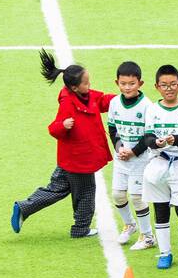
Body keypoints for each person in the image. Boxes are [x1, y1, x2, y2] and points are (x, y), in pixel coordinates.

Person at [11, 52, 112, 239]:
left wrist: (122, 99)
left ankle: (24, 207)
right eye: (86, 83)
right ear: (74, 87)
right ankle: (81, 228)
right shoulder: (68, 104)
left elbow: (101, 100)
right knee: (86, 192)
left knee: (56, 189)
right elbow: (54, 128)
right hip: (79, 160)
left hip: (70, 160)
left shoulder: (85, 96)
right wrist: (63, 126)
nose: (89, 85)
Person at [140, 65, 178, 269]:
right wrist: (154, 143)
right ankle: (165, 253)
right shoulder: (152, 109)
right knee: (161, 209)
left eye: (173, 84)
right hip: (157, 163)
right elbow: (147, 136)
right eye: (164, 85)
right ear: (157, 87)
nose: (169, 88)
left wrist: (175, 140)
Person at [106, 61, 155, 250]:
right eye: (123, 83)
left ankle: (148, 236)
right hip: (122, 158)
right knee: (118, 195)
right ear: (117, 82)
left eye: (132, 83)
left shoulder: (147, 106)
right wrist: (119, 148)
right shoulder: (114, 103)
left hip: (140, 159)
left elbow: (149, 135)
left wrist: (133, 152)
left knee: (136, 197)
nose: (127, 87)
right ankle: (130, 225)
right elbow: (112, 129)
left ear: (140, 84)